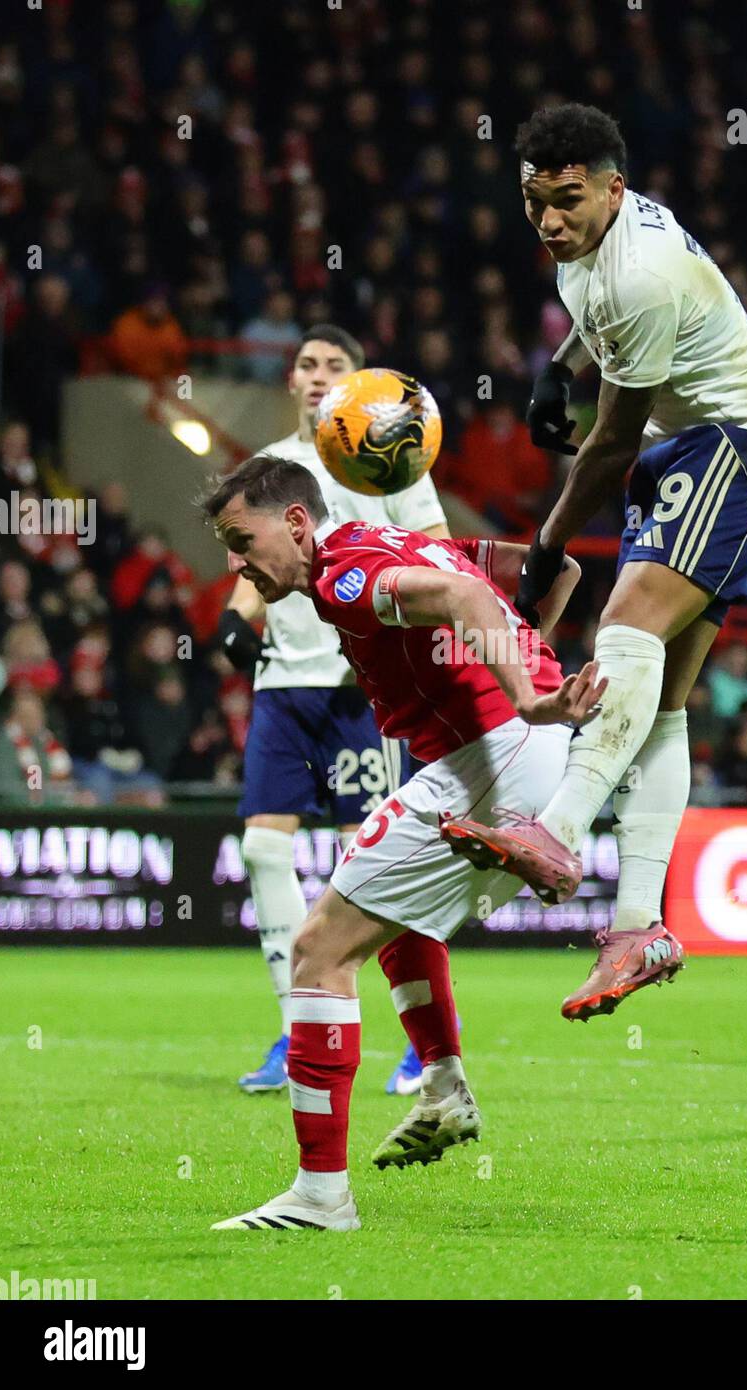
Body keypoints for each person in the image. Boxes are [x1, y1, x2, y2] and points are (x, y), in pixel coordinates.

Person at [441, 103, 747, 1021]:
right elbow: (590, 324)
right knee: (665, 699)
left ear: (613, 187)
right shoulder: (593, 244)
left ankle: (559, 828)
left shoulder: (640, 275)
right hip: (703, 451)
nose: (550, 221)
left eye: (567, 201)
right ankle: (640, 924)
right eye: (534, 204)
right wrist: (555, 367)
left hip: (735, 443)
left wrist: (553, 541)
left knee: (624, 626)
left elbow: (610, 442)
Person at [201, 454, 613, 1231]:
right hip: (510, 751)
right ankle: (445, 1085)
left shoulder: (341, 577)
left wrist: (524, 695)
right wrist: (525, 662)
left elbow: (461, 596)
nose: (235, 563)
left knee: (320, 950)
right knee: (390, 919)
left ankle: (321, 1196)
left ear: (295, 522)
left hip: (492, 753)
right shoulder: (396, 538)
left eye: (240, 539)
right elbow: (553, 574)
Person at [218, 324, 454, 1094]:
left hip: (364, 688)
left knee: (373, 867)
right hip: (285, 686)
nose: (319, 375)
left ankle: (423, 1040)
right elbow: (253, 568)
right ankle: (295, 1029)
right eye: (308, 364)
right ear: (290, 381)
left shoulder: (387, 454)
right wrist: (235, 617)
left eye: (336, 365)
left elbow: (441, 553)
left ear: (358, 380)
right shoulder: (268, 473)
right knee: (260, 849)